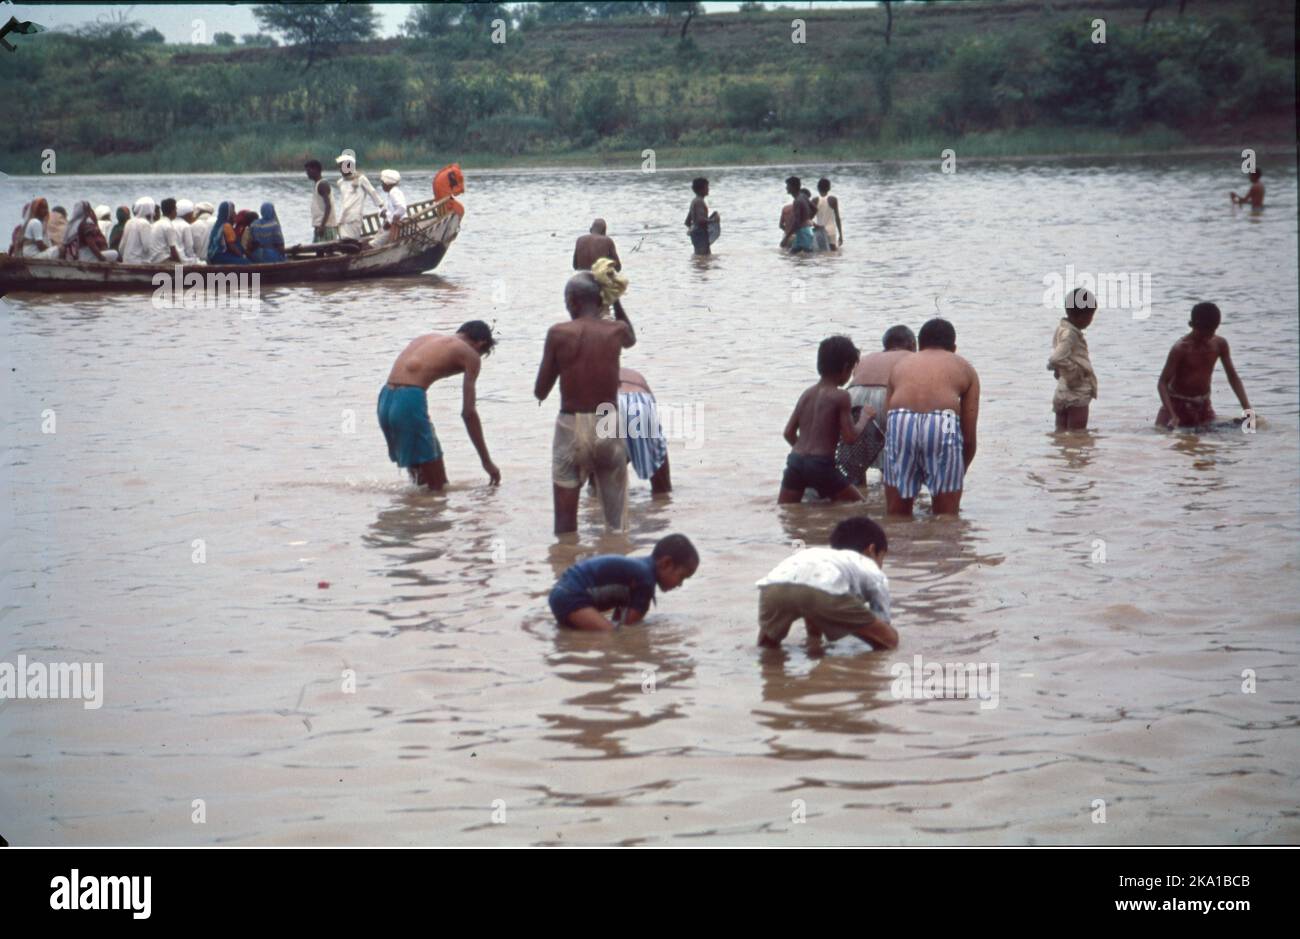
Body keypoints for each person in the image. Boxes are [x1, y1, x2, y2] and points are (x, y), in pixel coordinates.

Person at [534, 271, 637, 534]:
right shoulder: (616, 329)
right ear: (602, 300)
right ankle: (617, 567)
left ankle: (567, 565)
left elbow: (540, 391)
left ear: (572, 301)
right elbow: (631, 339)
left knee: (566, 527)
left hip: (571, 424)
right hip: (608, 423)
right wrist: (616, 301)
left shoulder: (558, 333)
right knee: (617, 526)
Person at [379, 322, 500, 491]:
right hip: (409, 402)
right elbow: (468, 413)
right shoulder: (470, 355)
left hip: (385, 400)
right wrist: (487, 462)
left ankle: (410, 515)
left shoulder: (429, 338)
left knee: (420, 486)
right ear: (480, 344)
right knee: (437, 488)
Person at [883, 318, 980, 517]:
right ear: (954, 348)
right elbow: (969, 436)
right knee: (946, 518)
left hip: (900, 419)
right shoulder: (965, 368)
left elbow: (888, 423)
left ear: (919, 344)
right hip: (944, 420)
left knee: (896, 517)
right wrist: (957, 473)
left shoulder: (901, 365)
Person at [756, 515, 895, 649]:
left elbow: (809, 592)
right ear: (871, 550)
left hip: (774, 584)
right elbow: (883, 623)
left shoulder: (822, 556)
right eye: (882, 557)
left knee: (767, 646)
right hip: (821, 591)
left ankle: (806, 650)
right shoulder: (871, 569)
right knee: (890, 640)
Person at [778, 335, 873, 503]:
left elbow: (788, 433)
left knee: (788, 510)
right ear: (846, 368)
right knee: (860, 505)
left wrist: (805, 457)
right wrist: (864, 418)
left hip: (796, 462)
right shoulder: (841, 396)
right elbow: (850, 437)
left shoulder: (807, 393)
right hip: (821, 465)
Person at [549, 534, 698, 631]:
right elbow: (627, 628)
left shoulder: (639, 569)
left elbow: (619, 619)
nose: (680, 584)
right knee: (613, 636)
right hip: (573, 596)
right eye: (681, 577)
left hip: (562, 592)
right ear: (666, 563)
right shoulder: (645, 581)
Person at [1155, 302, 1251, 430]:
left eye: (1212, 331)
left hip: (1203, 408)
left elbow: (1233, 377)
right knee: (1167, 438)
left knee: (1220, 440)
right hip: (1176, 407)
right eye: (1203, 333)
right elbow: (1162, 383)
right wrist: (1172, 415)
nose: (1208, 337)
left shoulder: (1219, 345)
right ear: (1192, 325)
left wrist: (1247, 409)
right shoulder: (1181, 349)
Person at [839, 325, 915, 485]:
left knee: (857, 460)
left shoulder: (868, 358)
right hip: (886, 395)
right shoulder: (910, 357)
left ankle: (859, 495)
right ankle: (889, 491)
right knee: (893, 452)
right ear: (911, 345)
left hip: (853, 396)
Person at [1049, 287, 1098, 431]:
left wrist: (1061, 370)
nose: (1090, 320)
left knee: (1061, 435)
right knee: (1078, 436)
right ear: (1083, 317)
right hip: (1077, 391)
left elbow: (1058, 356)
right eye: (1091, 316)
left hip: (1063, 389)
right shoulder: (1070, 334)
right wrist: (1074, 371)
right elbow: (1055, 358)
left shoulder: (1061, 329)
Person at [619, 367, 671, 494]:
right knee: (663, 490)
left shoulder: (593, 373)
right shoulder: (633, 374)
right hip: (641, 400)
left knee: (599, 487)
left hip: (609, 401)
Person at [334, 148, 383, 240]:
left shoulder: (361, 179)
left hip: (355, 215)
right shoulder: (340, 182)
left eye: (343, 166)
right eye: (340, 167)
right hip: (343, 214)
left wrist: (381, 206)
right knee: (343, 238)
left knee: (351, 239)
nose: (341, 169)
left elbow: (372, 192)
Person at [305, 159, 338, 242]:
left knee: (327, 253)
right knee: (319, 252)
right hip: (321, 226)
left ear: (315, 170)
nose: (307, 173)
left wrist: (322, 225)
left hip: (325, 227)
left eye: (308, 170)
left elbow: (328, 206)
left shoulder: (322, 185)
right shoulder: (318, 184)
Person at [780, 176, 815, 253]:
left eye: (787, 186)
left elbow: (796, 222)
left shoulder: (797, 201)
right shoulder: (803, 196)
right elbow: (815, 209)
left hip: (803, 233)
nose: (786, 188)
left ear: (793, 187)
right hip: (804, 232)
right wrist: (807, 219)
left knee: (807, 258)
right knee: (793, 257)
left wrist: (786, 238)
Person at [374, 169, 406, 246]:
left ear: (388, 183)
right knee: (375, 238)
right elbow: (393, 209)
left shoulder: (393, 193)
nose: (382, 185)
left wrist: (391, 220)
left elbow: (401, 208)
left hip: (395, 226)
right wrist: (384, 213)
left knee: (373, 244)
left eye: (383, 183)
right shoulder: (394, 191)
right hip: (393, 225)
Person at [119, 197, 156, 264]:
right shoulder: (145, 223)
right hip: (139, 262)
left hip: (126, 261)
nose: (154, 213)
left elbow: (121, 247)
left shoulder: (129, 222)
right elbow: (147, 248)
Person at [148, 198, 184, 264]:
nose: (176, 212)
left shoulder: (156, 223)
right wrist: (180, 263)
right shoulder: (168, 226)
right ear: (172, 211)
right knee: (181, 266)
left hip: (152, 259)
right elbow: (173, 250)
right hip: (162, 260)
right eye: (176, 209)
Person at [811, 177, 842, 251]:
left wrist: (814, 225)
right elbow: (837, 218)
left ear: (818, 188)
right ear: (829, 188)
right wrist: (841, 235)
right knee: (833, 253)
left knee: (821, 252)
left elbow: (808, 218)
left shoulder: (815, 200)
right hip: (831, 229)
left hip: (820, 229)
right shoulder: (833, 199)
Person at [684, 177, 713, 256]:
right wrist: (714, 220)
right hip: (701, 234)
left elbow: (687, 222)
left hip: (696, 234)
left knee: (700, 258)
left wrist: (692, 230)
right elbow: (701, 220)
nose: (708, 189)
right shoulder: (699, 202)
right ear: (701, 189)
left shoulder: (694, 201)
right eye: (707, 187)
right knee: (704, 255)